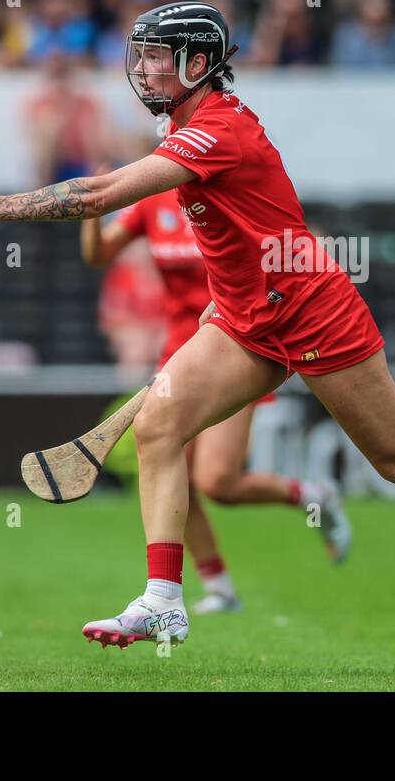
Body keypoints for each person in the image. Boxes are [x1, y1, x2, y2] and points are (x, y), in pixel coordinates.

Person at [0, 0, 395, 648]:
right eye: (140, 54)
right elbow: (235, 230)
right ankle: (164, 600)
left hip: (314, 309)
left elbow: (95, 196)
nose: (142, 69)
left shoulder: (215, 131)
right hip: (242, 318)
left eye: (156, 56)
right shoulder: (183, 124)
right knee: (157, 427)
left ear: (198, 64)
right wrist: (228, 295)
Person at [80, 181, 351, 614]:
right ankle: (219, 588)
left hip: (235, 349)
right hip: (177, 355)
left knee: (217, 482)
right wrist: (91, 212)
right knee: (174, 475)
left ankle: (311, 496)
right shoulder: (151, 203)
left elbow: (290, 247)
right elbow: (98, 255)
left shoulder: (231, 191)